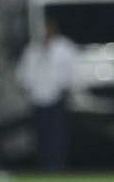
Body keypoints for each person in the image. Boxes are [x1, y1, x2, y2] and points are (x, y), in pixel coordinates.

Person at [18, 18, 76, 170]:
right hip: (38, 99)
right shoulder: (32, 50)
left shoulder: (65, 48)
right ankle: (43, 167)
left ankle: (57, 166)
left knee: (57, 136)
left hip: (56, 98)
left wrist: (64, 86)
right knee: (41, 136)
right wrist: (29, 87)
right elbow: (23, 74)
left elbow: (72, 72)